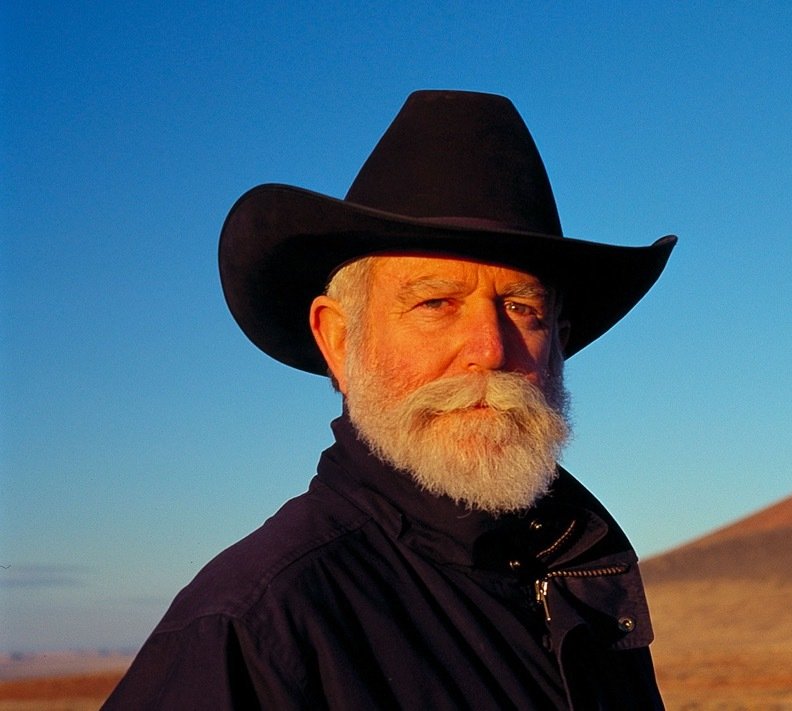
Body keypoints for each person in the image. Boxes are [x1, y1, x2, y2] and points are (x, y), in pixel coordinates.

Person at [104, 90, 677, 709]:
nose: (489, 348)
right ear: (339, 339)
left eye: (522, 308)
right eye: (435, 304)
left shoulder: (582, 581)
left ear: (557, 346)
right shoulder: (255, 627)